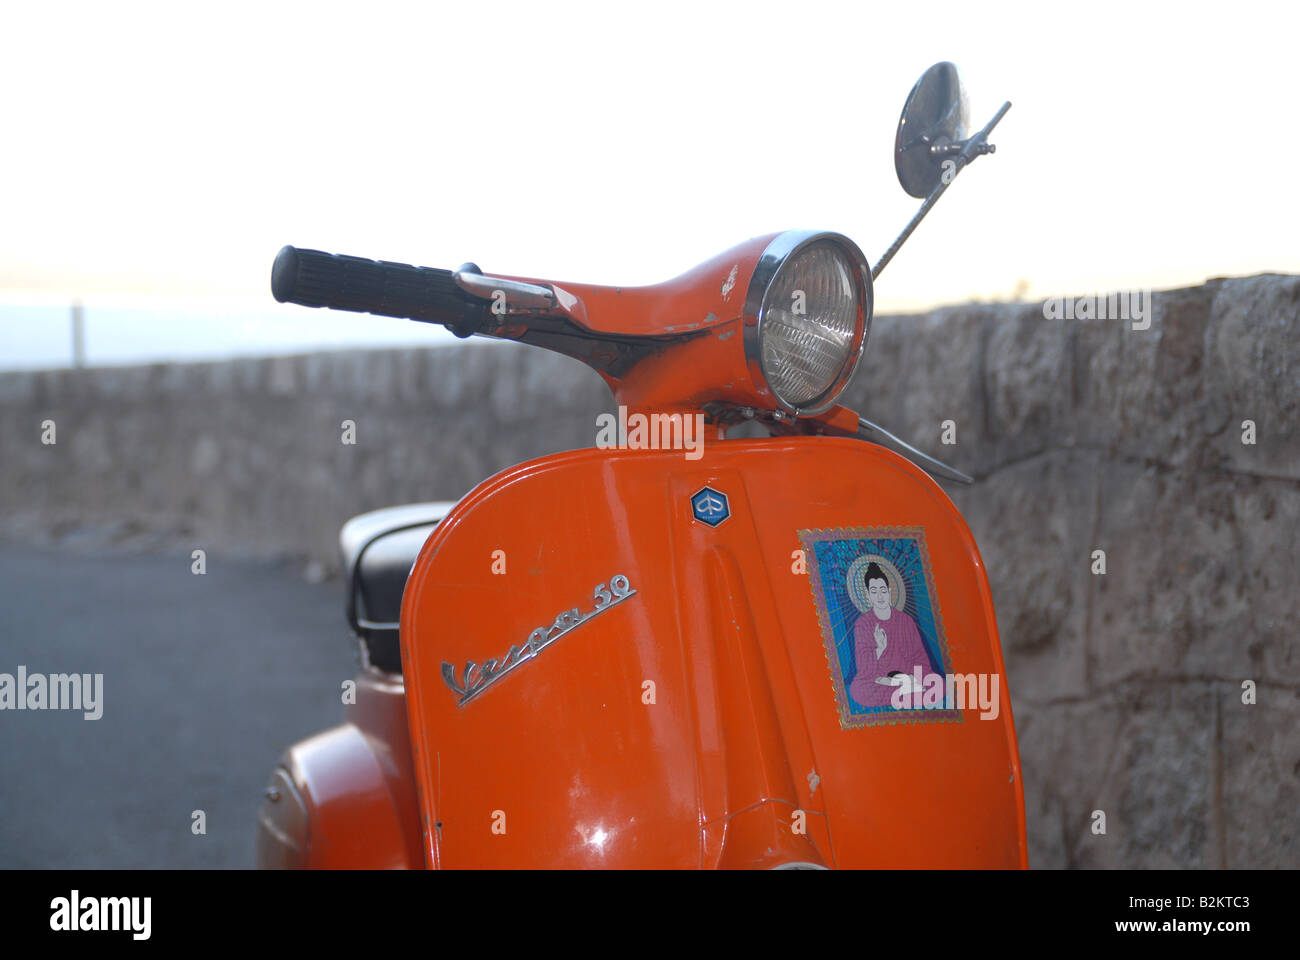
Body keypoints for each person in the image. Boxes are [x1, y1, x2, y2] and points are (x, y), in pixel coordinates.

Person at [847, 562, 933, 709]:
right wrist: (879, 648)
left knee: (936, 683)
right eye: (874, 591)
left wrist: (911, 678)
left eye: (883, 590)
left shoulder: (905, 621)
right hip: (879, 681)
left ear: (890, 591)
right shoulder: (863, 624)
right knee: (858, 690)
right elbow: (863, 668)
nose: (880, 596)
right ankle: (906, 693)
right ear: (868, 595)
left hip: (908, 678)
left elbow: (920, 658)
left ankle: (905, 691)